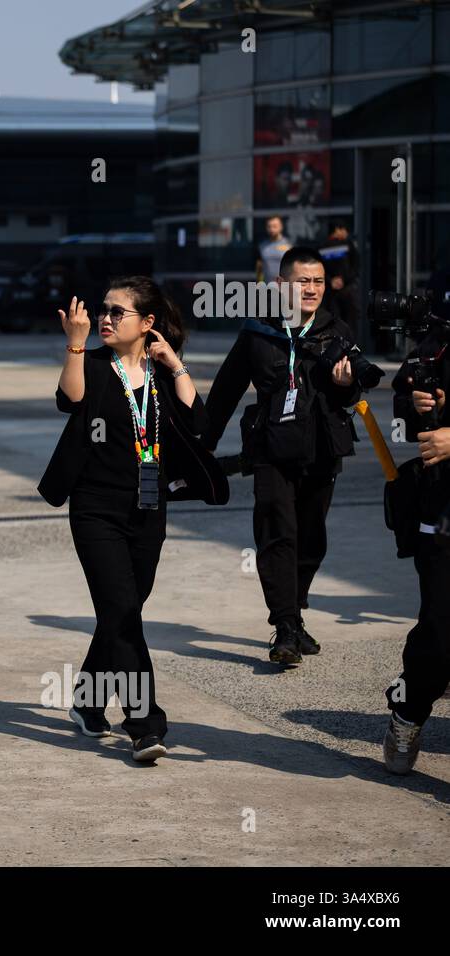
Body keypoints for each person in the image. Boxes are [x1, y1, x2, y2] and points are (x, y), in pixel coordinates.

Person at [39, 278, 227, 763]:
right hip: (95, 509)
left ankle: (86, 702)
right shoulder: (95, 365)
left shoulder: (162, 373)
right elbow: (71, 399)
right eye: (102, 309)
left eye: (117, 312)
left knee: (121, 614)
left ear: (147, 324)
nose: (105, 317)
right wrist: (76, 343)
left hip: (148, 508)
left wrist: (176, 365)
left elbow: (201, 426)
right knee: (123, 611)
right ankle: (145, 724)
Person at [203, 246, 365, 666]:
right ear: (280, 285)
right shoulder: (258, 332)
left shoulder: (338, 330)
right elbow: (225, 392)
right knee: (277, 531)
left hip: (321, 449)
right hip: (271, 449)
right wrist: (201, 446)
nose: (311, 289)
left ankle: (296, 612)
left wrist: (346, 385)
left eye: (317, 281)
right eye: (302, 281)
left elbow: (351, 395)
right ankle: (286, 625)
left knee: (311, 537)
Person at [381, 287, 450, 774]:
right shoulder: (438, 341)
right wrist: (420, 406)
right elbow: (401, 427)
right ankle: (408, 712)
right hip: (442, 512)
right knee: (441, 633)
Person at [256, 216, 292, 284]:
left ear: (281, 227)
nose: (272, 229)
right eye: (269, 226)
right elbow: (259, 267)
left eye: (275, 226)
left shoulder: (289, 245)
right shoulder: (262, 246)